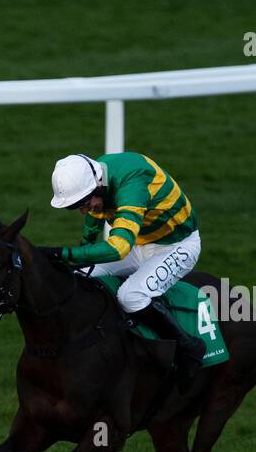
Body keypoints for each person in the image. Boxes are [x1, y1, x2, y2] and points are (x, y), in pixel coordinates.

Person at [46, 151, 205, 385]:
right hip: (140, 243)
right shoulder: (97, 176)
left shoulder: (132, 180)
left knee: (131, 296)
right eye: (75, 207)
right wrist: (83, 251)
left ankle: (188, 348)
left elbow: (119, 247)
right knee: (80, 277)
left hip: (177, 245)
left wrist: (65, 254)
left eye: (83, 203)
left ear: (98, 185)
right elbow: (94, 216)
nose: (82, 210)